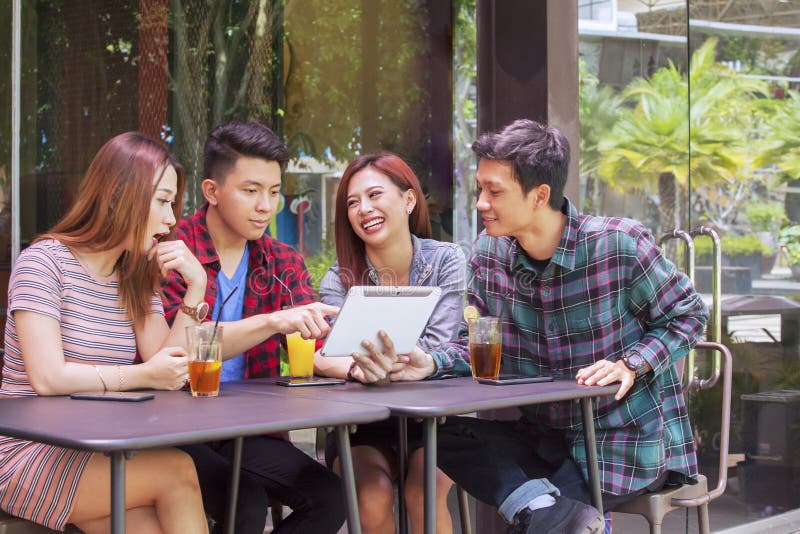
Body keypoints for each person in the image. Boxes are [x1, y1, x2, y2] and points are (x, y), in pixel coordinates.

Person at [353, 119, 709, 534]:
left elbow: (689, 314)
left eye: (495, 191)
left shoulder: (618, 245)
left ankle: (537, 510)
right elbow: (476, 341)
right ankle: (538, 505)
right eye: (480, 188)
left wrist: (631, 363)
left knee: (540, 528)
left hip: (621, 441)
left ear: (540, 195)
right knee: (438, 437)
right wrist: (428, 362)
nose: (482, 202)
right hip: (541, 435)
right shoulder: (490, 255)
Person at [0, 132, 209, 534]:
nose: (172, 219)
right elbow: (47, 378)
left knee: (152, 527)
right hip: (27, 451)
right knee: (179, 470)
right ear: (120, 195)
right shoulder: (43, 264)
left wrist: (195, 288)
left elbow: (168, 368)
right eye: (164, 201)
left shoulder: (133, 277)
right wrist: (140, 377)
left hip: (95, 447)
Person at [161, 121, 344, 534]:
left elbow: (316, 348)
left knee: (329, 497)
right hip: (174, 427)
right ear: (212, 191)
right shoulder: (173, 251)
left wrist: (366, 354)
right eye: (251, 190)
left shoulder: (282, 261)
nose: (266, 205)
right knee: (245, 502)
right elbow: (182, 350)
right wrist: (271, 321)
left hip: (248, 430)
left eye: (274, 192)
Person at [315, 153, 466, 533]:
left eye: (375, 195)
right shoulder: (339, 277)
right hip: (362, 421)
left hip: (434, 413)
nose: (363, 209)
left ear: (408, 200)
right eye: (352, 202)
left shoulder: (446, 260)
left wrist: (369, 366)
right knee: (372, 495)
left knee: (424, 491)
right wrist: (356, 367)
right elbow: (329, 353)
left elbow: (438, 343)